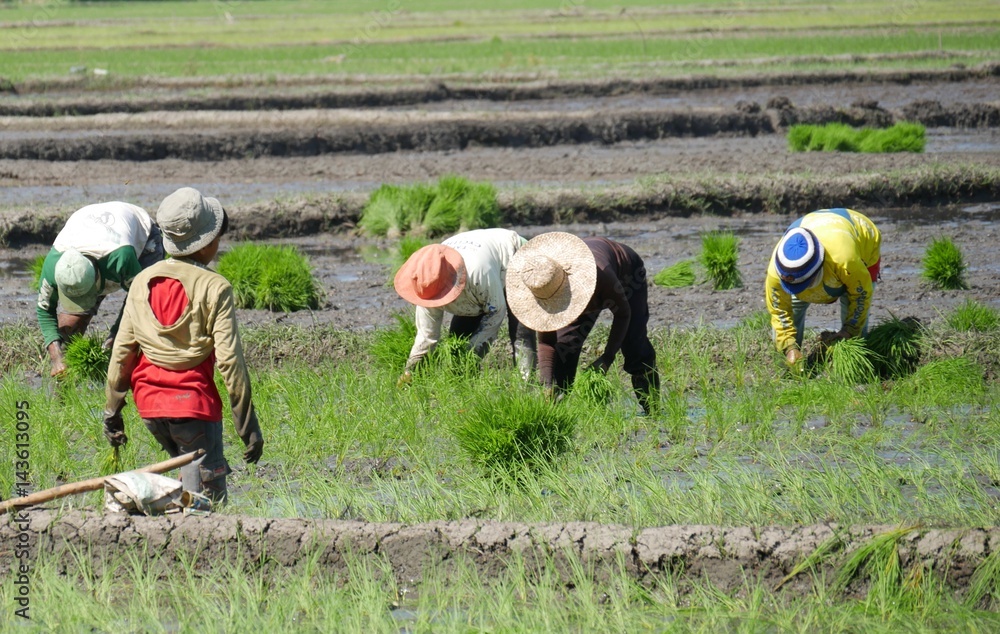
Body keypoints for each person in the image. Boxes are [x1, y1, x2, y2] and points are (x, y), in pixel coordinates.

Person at [102, 187, 263, 504]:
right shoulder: (215, 287)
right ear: (207, 243)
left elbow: (122, 353)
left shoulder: (142, 281)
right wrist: (248, 425)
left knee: (188, 488)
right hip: (193, 407)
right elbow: (230, 363)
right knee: (208, 502)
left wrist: (112, 410)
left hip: (150, 408)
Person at [505, 232, 660, 415]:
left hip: (626, 274)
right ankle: (557, 409)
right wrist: (547, 383)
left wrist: (607, 358)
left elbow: (623, 314)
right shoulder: (546, 286)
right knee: (565, 346)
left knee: (634, 345)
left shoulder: (600, 273)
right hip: (577, 286)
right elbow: (547, 341)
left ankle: (653, 410)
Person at [36, 201, 164, 377]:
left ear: (96, 277)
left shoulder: (121, 259)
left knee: (148, 312)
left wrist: (114, 338)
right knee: (68, 329)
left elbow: (138, 301)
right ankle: (65, 383)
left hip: (143, 240)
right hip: (90, 225)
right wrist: (56, 357)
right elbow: (44, 310)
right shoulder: (53, 268)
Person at [394, 228, 536, 385]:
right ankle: (463, 386)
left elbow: (495, 314)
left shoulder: (478, 272)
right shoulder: (427, 285)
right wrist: (410, 371)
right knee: (458, 337)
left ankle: (527, 385)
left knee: (520, 332)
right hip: (477, 273)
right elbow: (426, 337)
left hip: (514, 255)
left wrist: (471, 352)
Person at [765, 207, 882, 368]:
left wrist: (849, 331)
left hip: (860, 237)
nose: (799, 290)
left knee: (851, 304)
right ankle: (787, 366)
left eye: (803, 286)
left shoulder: (845, 260)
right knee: (794, 304)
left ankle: (854, 364)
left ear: (816, 272)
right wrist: (789, 347)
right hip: (817, 225)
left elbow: (861, 296)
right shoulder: (777, 270)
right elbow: (779, 311)